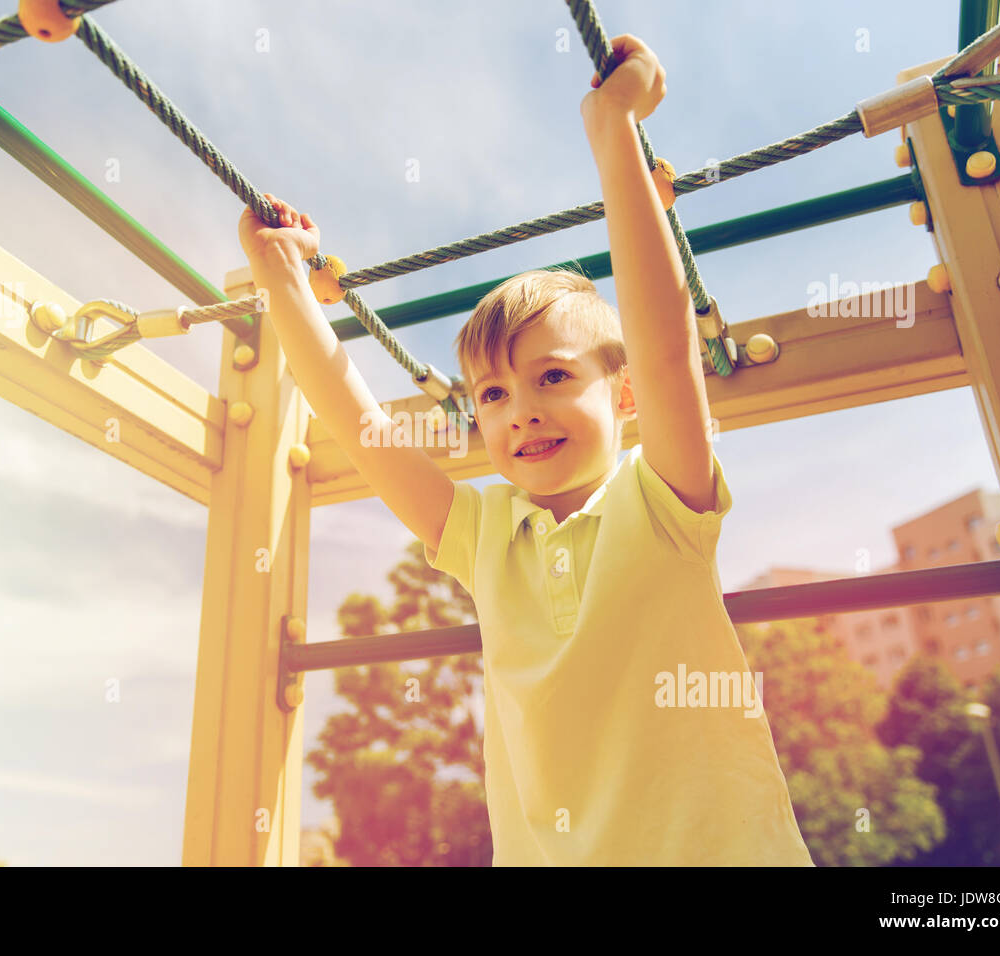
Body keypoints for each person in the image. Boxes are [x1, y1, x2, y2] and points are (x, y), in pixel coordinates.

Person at [238, 33, 813, 866]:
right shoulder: (482, 535)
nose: (521, 414)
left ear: (620, 398)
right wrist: (281, 279)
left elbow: (662, 347)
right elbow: (363, 430)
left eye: (551, 378)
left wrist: (614, 128)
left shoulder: (665, 502)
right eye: (495, 395)